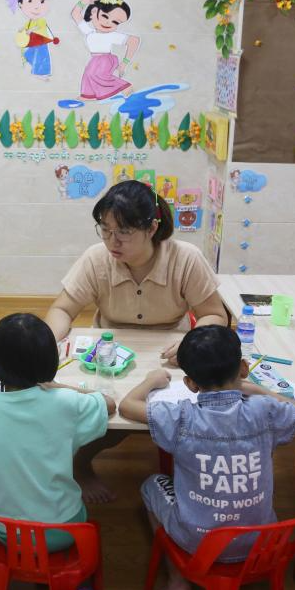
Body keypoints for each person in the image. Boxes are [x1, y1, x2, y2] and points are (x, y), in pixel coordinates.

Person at [46, 180, 227, 502]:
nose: (112, 242)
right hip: (108, 350)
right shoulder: (96, 258)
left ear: (152, 227)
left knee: (182, 411)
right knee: (102, 410)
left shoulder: (185, 258)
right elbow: (63, 308)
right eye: (104, 230)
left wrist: (190, 345)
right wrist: (48, 343)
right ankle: (80, 462)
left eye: (124, 232)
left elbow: (215, 315)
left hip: (168, 353)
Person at [120, 325, 295, 590]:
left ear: (190, 383)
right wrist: (259, 390)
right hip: (260, 541)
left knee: (151, 484)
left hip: (197, 543)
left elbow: (127, 406)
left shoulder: (181, 417)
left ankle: (177, 578)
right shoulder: (264, 410)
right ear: (243, 368)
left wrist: (151, 380)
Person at [0, 313, 114, 550]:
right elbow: (109, 403)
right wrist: (62, 387)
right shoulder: (67, 402)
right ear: (51, 361)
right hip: (65, 530)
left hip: (8, 535)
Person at [70, 0, 140, 99]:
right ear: (93, 12)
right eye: (105, 16)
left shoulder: (112, 35)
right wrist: (86, 0)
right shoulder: (89, 31)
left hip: (105, 59)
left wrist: (125, 62)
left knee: (96, 75)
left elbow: (134, 40)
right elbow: (75, 14)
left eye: (115, 22)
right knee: (88, 75)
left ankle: (125, 87)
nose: (108, 22)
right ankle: (88, 94)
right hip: (95, 58)